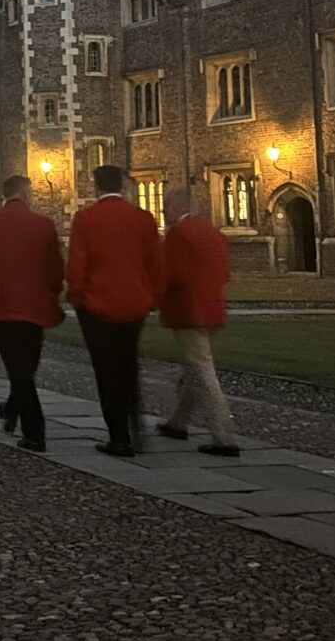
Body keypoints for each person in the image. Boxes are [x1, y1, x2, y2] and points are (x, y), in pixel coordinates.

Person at [68, 164, 165, 458]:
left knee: (107, 371)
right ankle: (137, 426)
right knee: (129, 366)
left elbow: (76, 266)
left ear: (96, 186)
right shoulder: (143, 218)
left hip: (98, 305)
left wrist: (77, 298)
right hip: (135, 303)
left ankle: (118, 436)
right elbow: (156, 264)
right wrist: (152, 298)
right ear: (122, 185)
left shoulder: (85, 218)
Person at [0, 175, 65, 452]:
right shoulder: (43, 224)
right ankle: (19, 415)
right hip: (35, 304)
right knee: (26, 366)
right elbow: (55, 269)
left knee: (18, 368)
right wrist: (53, 292)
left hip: (1, 304)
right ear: (26, 194)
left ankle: (31, 427)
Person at [157, 190, 238, 457]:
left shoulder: (179, 233)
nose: (163, 211)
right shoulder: (211, 231)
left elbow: (173, 275)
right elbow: (224, 273)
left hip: (189, 311)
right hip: (213, 308)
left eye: (165, 206)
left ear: (176, 206)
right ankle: (177, 422)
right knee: (193, 369)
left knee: (203, 372)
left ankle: (224, 436)